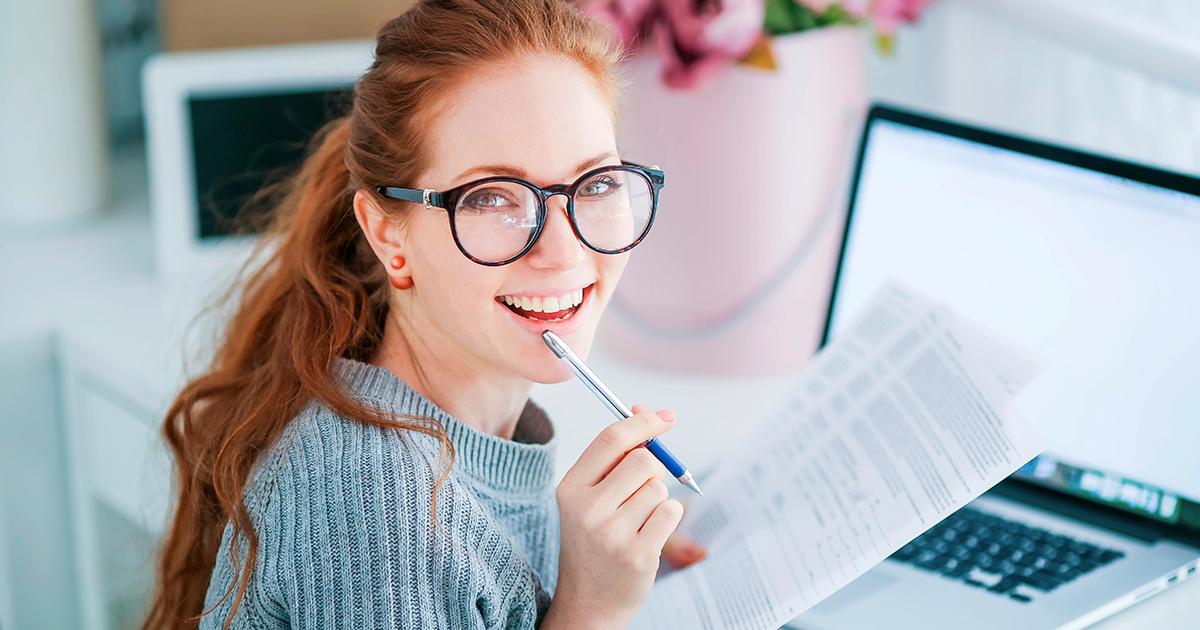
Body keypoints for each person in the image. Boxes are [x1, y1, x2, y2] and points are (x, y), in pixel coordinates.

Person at [143, 0, 708, 628]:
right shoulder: (375, 505)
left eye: (597, 184)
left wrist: (594, 569)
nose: (563, 250)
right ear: (390, 238)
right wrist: (592, 607)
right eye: (492, 197)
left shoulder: (461, 443)